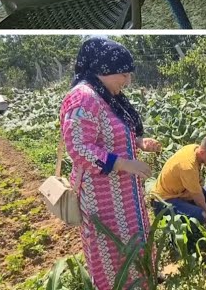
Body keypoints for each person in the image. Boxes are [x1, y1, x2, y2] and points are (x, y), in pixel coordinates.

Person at [59, 38, 159, 290]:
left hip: (124, 195)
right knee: (111, 250)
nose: (127, 80)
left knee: (133, 242)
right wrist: (125, 164)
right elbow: (79, 148)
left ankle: (141, 283)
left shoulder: (104, 95)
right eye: (123, 74)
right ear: (104, 69)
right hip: (103, 197)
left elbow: (111, 134)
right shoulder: (83, 98)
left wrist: (139, 142)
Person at [151, 133, 206, 239]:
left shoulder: (195, 149)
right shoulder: (188, 167)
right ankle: (185, 237)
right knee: (201, 214)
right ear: (202, 152)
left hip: (183, 194)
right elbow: (202, 205)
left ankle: (192, 212)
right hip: (164, 202)